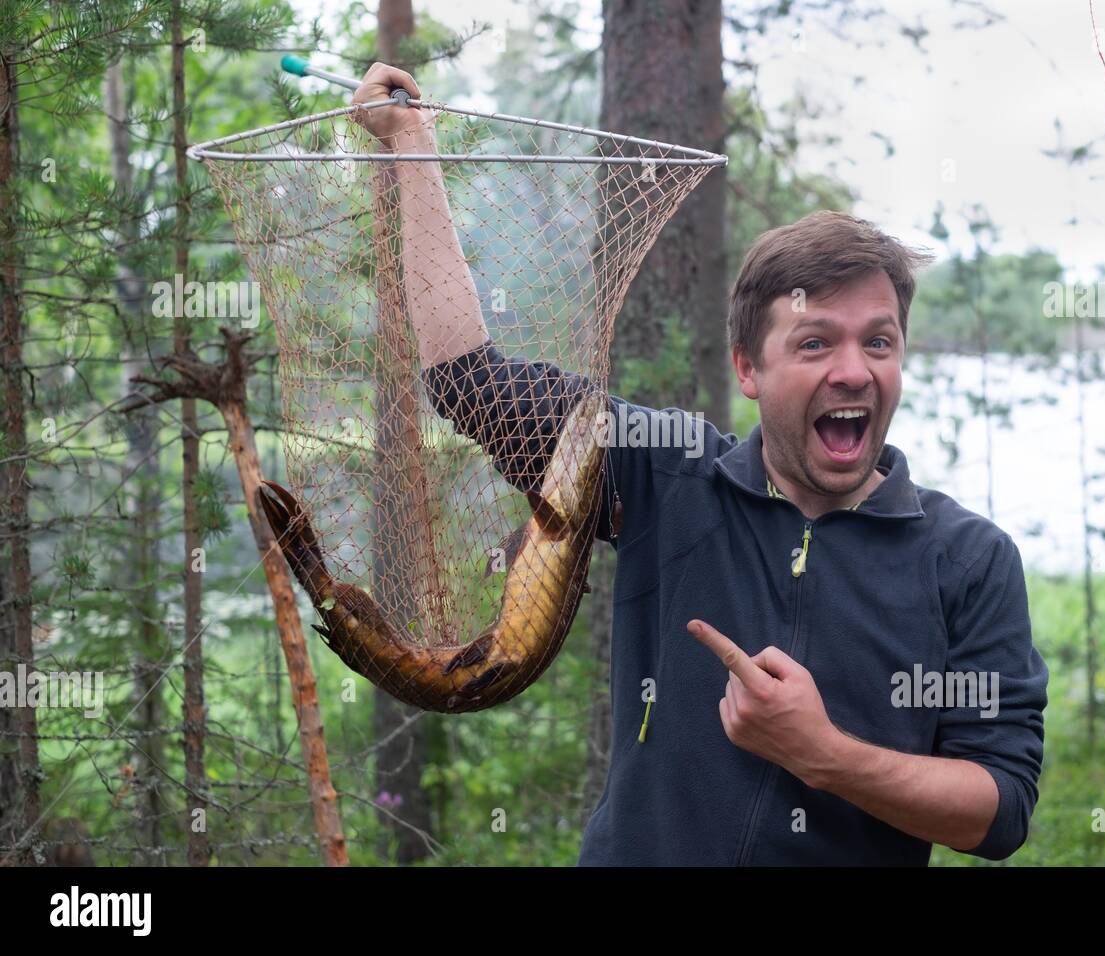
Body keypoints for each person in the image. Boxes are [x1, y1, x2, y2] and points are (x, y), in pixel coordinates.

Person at [352, 64, 1049, 865]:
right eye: (816, 341)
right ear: (748, 369)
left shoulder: (967, 559)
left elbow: (1000, 809)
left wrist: (825, 755)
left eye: (878, 341)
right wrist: (411, 143)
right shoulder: (666, 474)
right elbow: (467, 382)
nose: (854, 370)